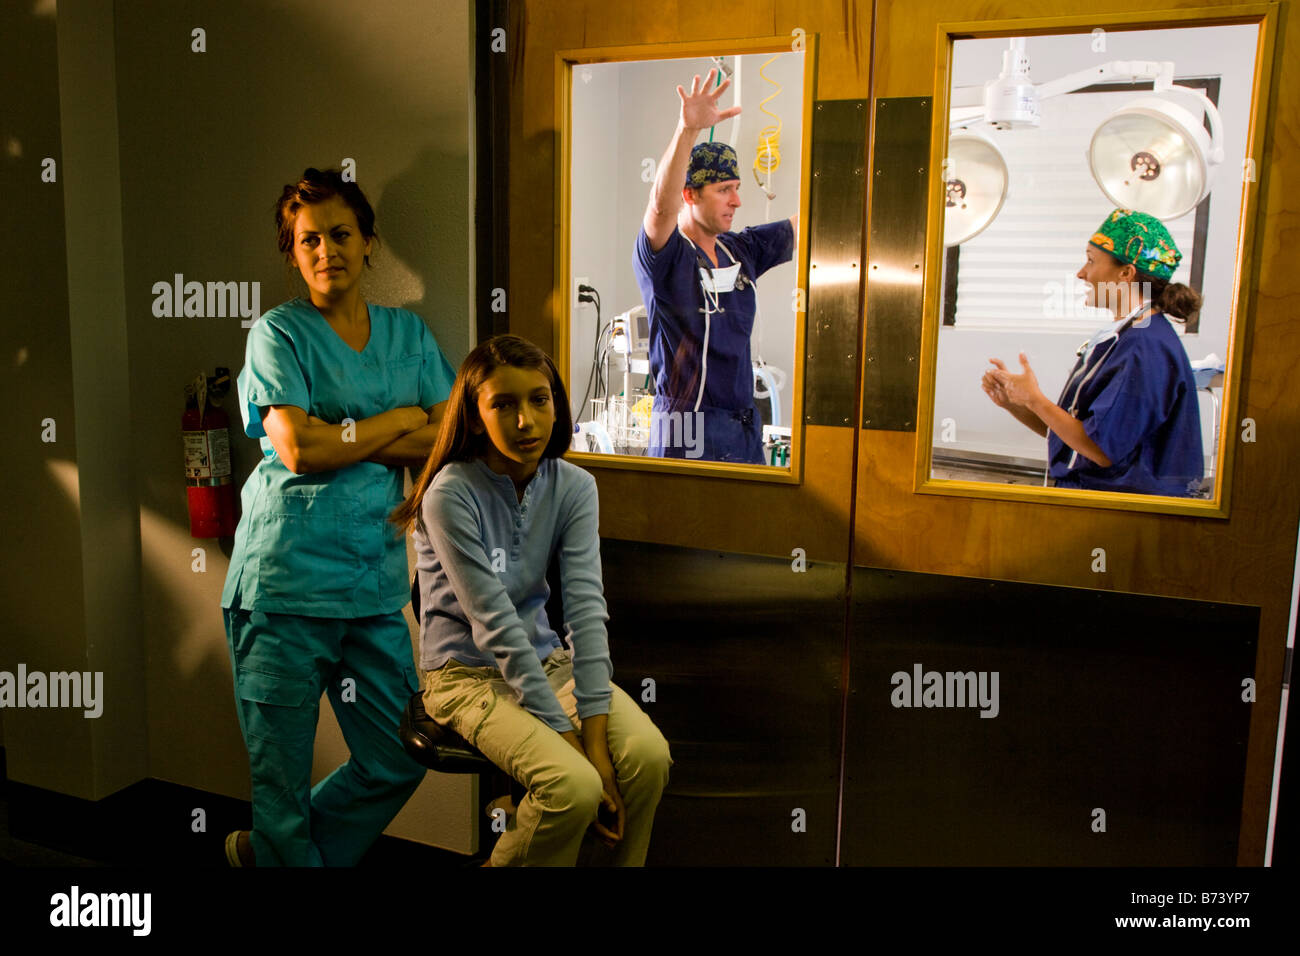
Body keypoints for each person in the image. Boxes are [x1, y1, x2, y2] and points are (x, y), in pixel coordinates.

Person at [220, 167, 457, 866]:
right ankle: (279, 849)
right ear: (293, 253)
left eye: (341, 234)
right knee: (280, 792)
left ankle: (273, 856)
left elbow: (446, 442)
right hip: (283, 590)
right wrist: (400, 419)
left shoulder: (407, 333)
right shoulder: (278, 334)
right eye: (310, 240)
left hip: (371, 591)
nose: (327, 250)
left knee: (401, 757)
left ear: (369, 243)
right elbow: (297, 449)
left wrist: (347, 432)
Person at [390, 334, 671, 866]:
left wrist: (594, 735)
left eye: (539, 400)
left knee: (649, 757)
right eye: (503, 404)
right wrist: (576, 747)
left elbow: (587, 612)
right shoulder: (449, 493)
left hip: (546, 663)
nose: (527, 421)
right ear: (474, 418)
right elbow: (493, 623)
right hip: (463, 676)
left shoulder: (574, 486)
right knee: (574, 787)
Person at [635, 68, 797, 464]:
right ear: (690, 194)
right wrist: (687, 130)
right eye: (724, 190)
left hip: (742, 431)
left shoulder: (742, 250)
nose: (737, 201)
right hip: (685, 432)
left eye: (737, 188)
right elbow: (660, 207)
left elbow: (812, 224)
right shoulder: (667, 257)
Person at [983, 208, 1205, 496]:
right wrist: (1016, 402)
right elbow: (1074, 437)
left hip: (1125, 513)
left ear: (1126, 273)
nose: (1081, 273)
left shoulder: (1145, 346)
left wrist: (1035, 399)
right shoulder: (1126, 337)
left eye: (1090, 261)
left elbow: (1101, 449)